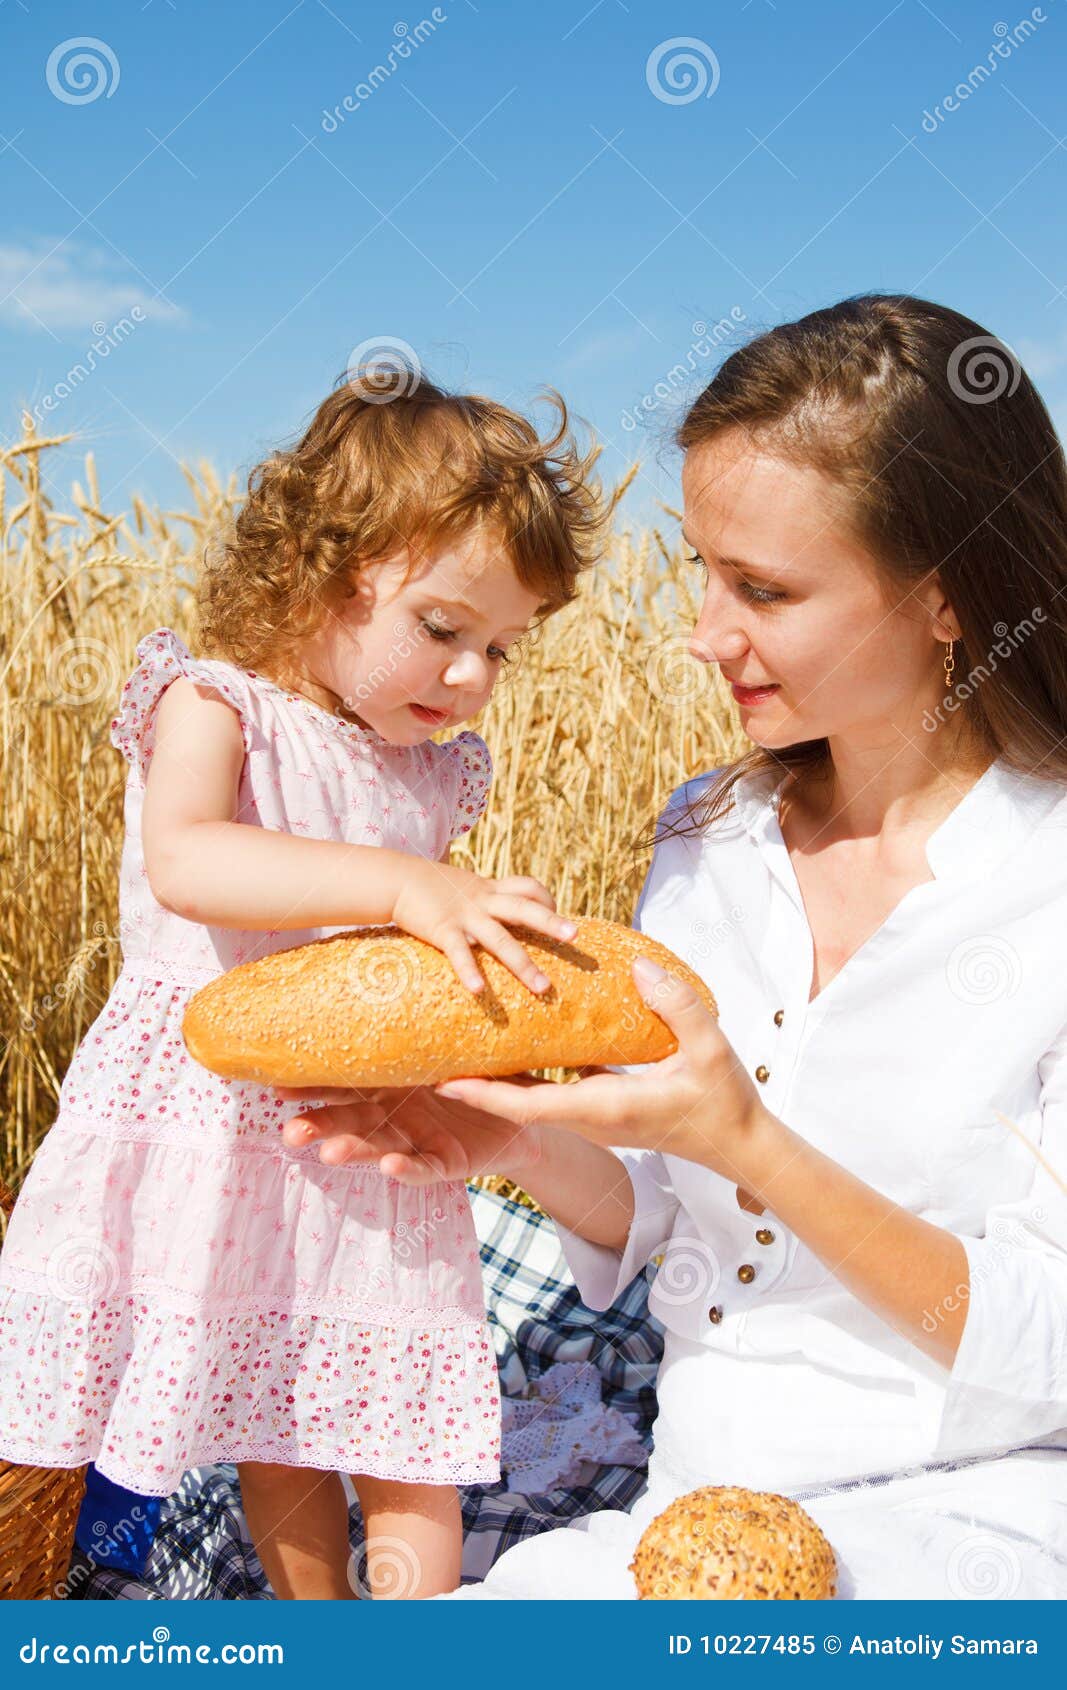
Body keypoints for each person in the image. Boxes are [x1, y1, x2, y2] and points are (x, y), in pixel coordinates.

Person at [282, 296, 1067, 1600]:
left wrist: (747, 1141)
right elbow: (658, 1211)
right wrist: (511, 1138)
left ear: (944, 599)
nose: (703, 631)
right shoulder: (709, 835)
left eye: (759, 589)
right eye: (701, 569)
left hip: (975, 1533)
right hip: (689, 1513)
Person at [0, 367, 605, 1600]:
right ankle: (317, 1628)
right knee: (275, 1406)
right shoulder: (216, 707)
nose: (474, 676)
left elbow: (414, 946)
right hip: (214, 1124)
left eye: (500, 647)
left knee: (398, 1412)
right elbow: (189, 859)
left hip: (364, 1132)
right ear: (321, 571)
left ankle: (413, 1635)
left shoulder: (436, 773)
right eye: (442, 629)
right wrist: (398, 887)